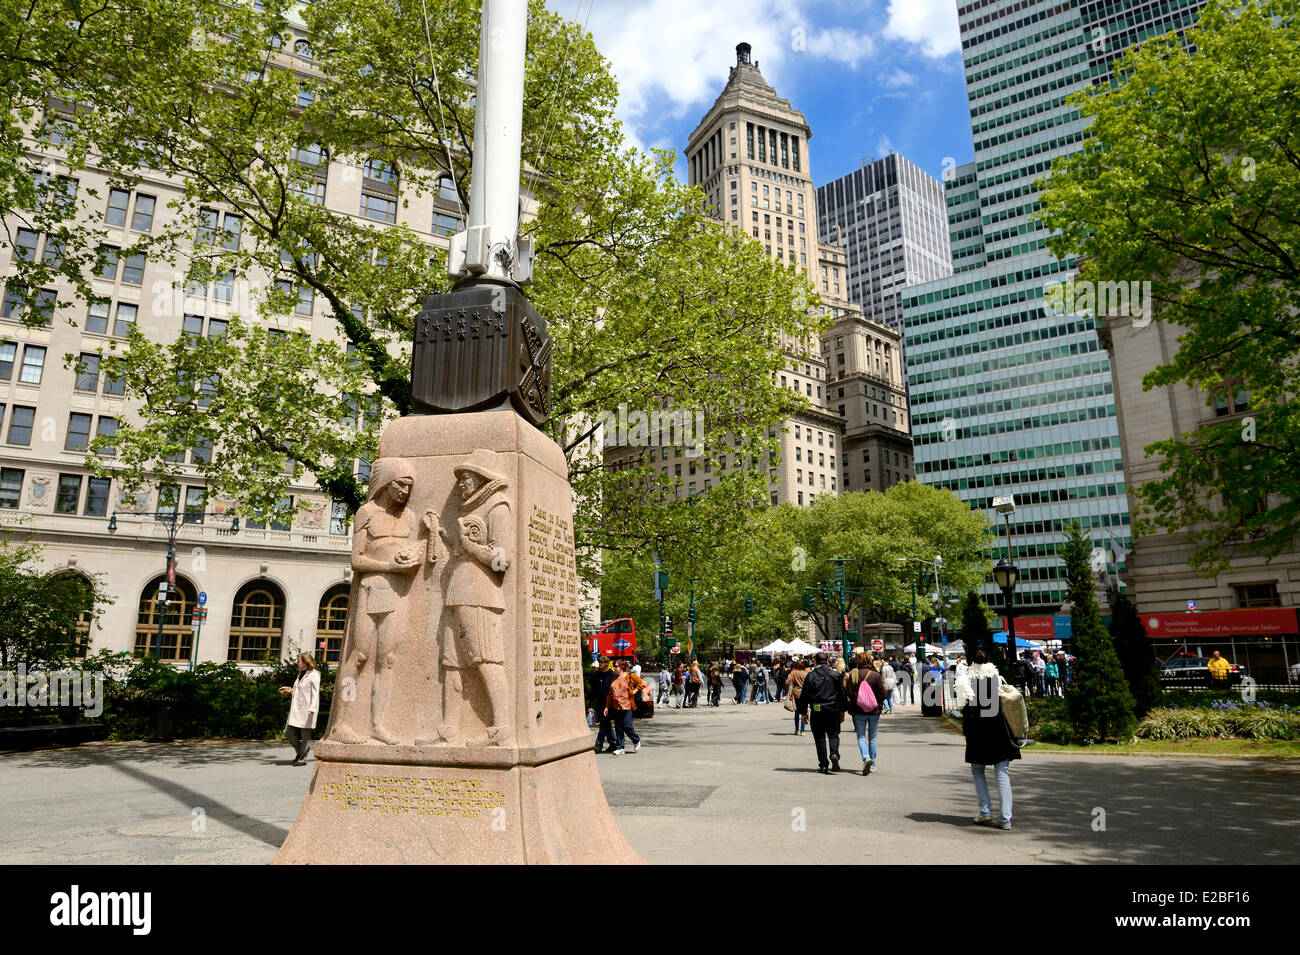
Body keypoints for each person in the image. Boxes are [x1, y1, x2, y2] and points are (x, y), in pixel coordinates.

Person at [956, 650, 1019, 829]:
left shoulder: (967, 681)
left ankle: (985, 811)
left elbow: (966, 708)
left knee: (977, 770)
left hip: (978, 731)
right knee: (1002, 772)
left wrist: (966, 731)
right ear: (989, 662)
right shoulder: (996, 678)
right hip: (999, 729)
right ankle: (1005, 818)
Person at [800, 653, 846, 774]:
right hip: (833, 709)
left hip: (817, 709)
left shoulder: (811, 676)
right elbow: (842, 693)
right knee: (834, 734)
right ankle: (834, 753)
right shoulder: (835, 675)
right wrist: (842, 710)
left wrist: (803, 712)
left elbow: (804, 695)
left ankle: (824, 764)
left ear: (815, 661)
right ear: (827, 661)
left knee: (820, 738)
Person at [843, 651, 885, 775]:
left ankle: (866, 757)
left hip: (858, 710)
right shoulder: (876, 675)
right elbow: (882, 694)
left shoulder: (853, 674)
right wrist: (875, 701)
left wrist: (858, 700)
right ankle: (872, 764)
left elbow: (849, 692)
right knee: (872, 737)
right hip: (874, 710)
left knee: (861, 736)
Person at [281, 652, 320, 766]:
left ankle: (301, 758)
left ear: (306, 662)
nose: (298, 663)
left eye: (300, 661)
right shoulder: (301, 674)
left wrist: (312, 708)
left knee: (305, 734)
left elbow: (315, 692)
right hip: (297, 708)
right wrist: (290, 690)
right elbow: (301, 690)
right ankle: (302, 753)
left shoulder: (314, 674)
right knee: (289, 731)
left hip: (308, 708)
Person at [604, 659, 645, 755]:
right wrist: (607, 707)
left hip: (627, 706)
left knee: (627, 726)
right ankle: (620, 747)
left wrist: (634, 691)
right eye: (614, 666)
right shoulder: (613, 678)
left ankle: (636, 740)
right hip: (616, 707)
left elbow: (642, 683)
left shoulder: (630, 676)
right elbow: (610, 694)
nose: (614, 668)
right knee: (618, 728)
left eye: (616, 666)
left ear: (622, 667)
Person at [592, 657, 618, 753]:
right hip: (600, 703)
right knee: (606, 723)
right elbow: (593, 690)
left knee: (603, 723)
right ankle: (613, 743)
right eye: (599, 662)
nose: (599, 663)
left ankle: (599, 744)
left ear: (607, 663)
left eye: (602, 662)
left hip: (609, 704)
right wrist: (591, 704)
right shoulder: (597, 675)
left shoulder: (612, 675)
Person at [788, 659, 809, 735]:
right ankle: (802, 730)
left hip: (796, 692)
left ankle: (796, 729)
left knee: (797, 712)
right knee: (804, 711)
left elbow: (788, 681)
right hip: (804, 693)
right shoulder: (806, 673)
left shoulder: (793, 672)